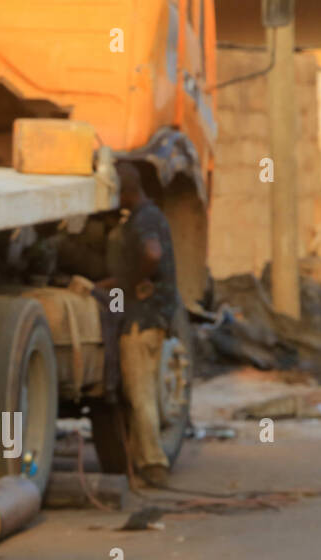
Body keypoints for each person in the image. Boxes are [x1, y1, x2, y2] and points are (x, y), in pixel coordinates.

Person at [90, 160, 182, 489]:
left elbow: (152, 254)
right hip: (151, 319)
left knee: (140, 394)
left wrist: (126, 282)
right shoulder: (150, 215)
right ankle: (146, 461)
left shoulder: (144, 220)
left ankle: (154, 465)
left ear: (123, 191)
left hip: (141, 321)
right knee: (142, 393)